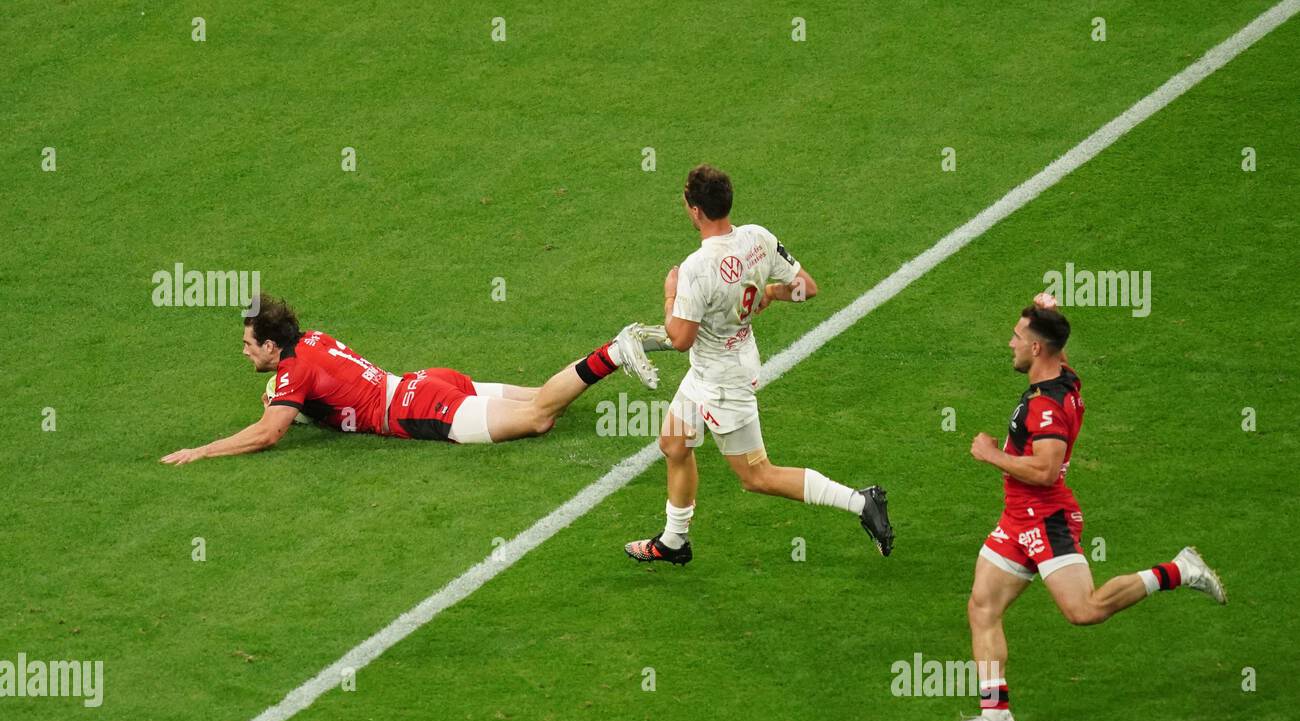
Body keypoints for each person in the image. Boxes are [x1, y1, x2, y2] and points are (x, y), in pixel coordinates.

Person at [947, 293, 1226, 721]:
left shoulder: (1047, 407)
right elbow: (1059, 352)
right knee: (982, 606)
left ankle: (1179, 570)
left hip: (1047, 520)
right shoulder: (1064, 377)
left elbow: (1045, 470)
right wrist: (1050, 313)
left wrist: (992, 455)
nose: (1010, 343)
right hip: (1017, 519)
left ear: (1037, 349)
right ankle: (996, 713)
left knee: (1085, 611)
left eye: (1017, 337)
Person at [624, 164, 893, 564]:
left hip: (722, 383)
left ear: (695, 211)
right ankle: (674, 541)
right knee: (673, 443)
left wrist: (669, 296)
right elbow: (807, 288)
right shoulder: (757, 238)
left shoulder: (696, 268)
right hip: (716, 369)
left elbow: (680, 339)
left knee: (757, 476)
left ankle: (860, 501)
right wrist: (769, 291)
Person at [160, 294, 662, 464]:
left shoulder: (296, 368)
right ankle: (645, 339)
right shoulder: (310, 339)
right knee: (541, 396)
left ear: (272, 346)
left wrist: (202, 450)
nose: (243, 352)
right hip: (423, 382)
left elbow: (269, 433)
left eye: (249, 344)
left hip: (419, 407)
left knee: (538, 418)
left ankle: (616, 350)